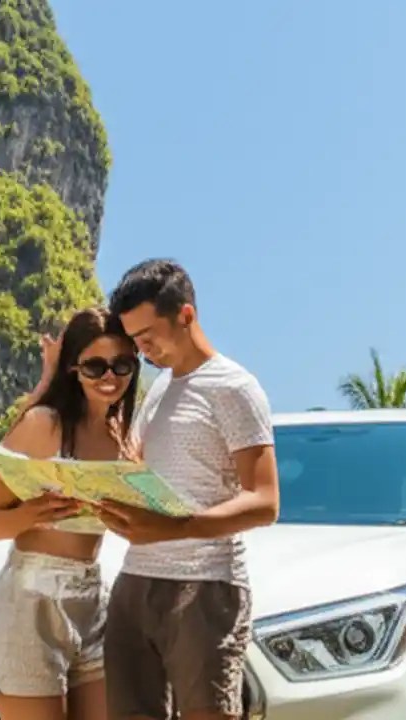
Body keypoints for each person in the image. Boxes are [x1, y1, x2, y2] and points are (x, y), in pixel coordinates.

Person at [95, 259, 280, 720]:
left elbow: (265, 502)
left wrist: (170, 527)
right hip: (135, 583)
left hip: (205, 587)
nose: (143, 350)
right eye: (135, 341)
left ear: (186, 315)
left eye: (148, 335)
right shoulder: (157, 392)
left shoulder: (234, 387)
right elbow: (143, 475)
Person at [0, 307, 142, 720]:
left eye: (122, 365)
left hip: (92, 599)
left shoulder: (126, 440)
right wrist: (31, 513)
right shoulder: (44, 424)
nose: (109, 378)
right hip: (29, 601)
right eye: (95, 366)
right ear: (74, 369)